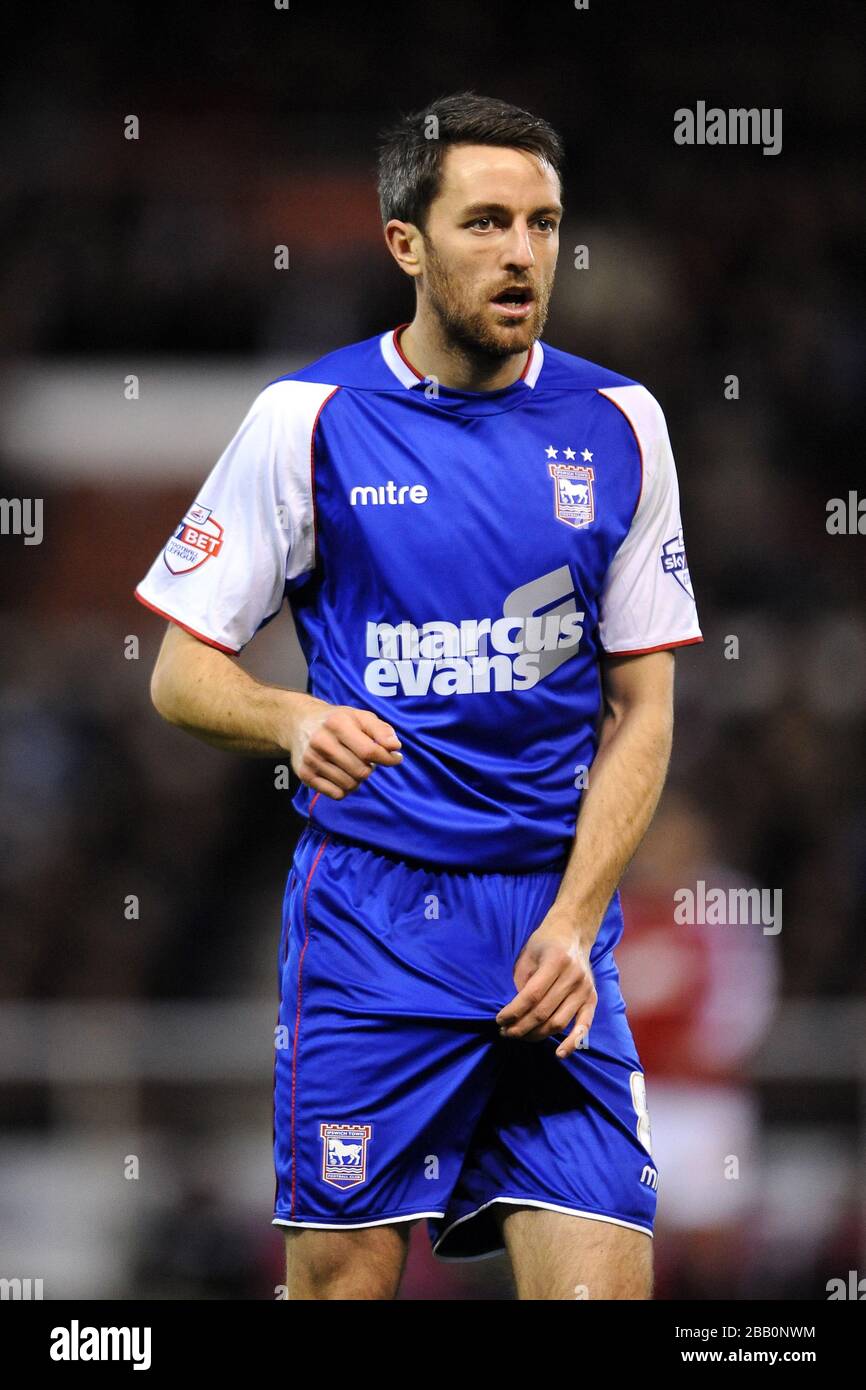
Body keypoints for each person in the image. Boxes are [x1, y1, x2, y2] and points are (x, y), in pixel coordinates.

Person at [135, 91, 703, 1300]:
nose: (521, 255)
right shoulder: (309, 422)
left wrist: (573, 918)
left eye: (544, 226)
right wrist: (288, 718)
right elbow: (180, 675)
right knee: (339, 1286)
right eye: (486, 222)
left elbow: (641, 712)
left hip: (552, 934)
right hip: (371, 927)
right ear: (406, 241)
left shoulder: (621, 425)